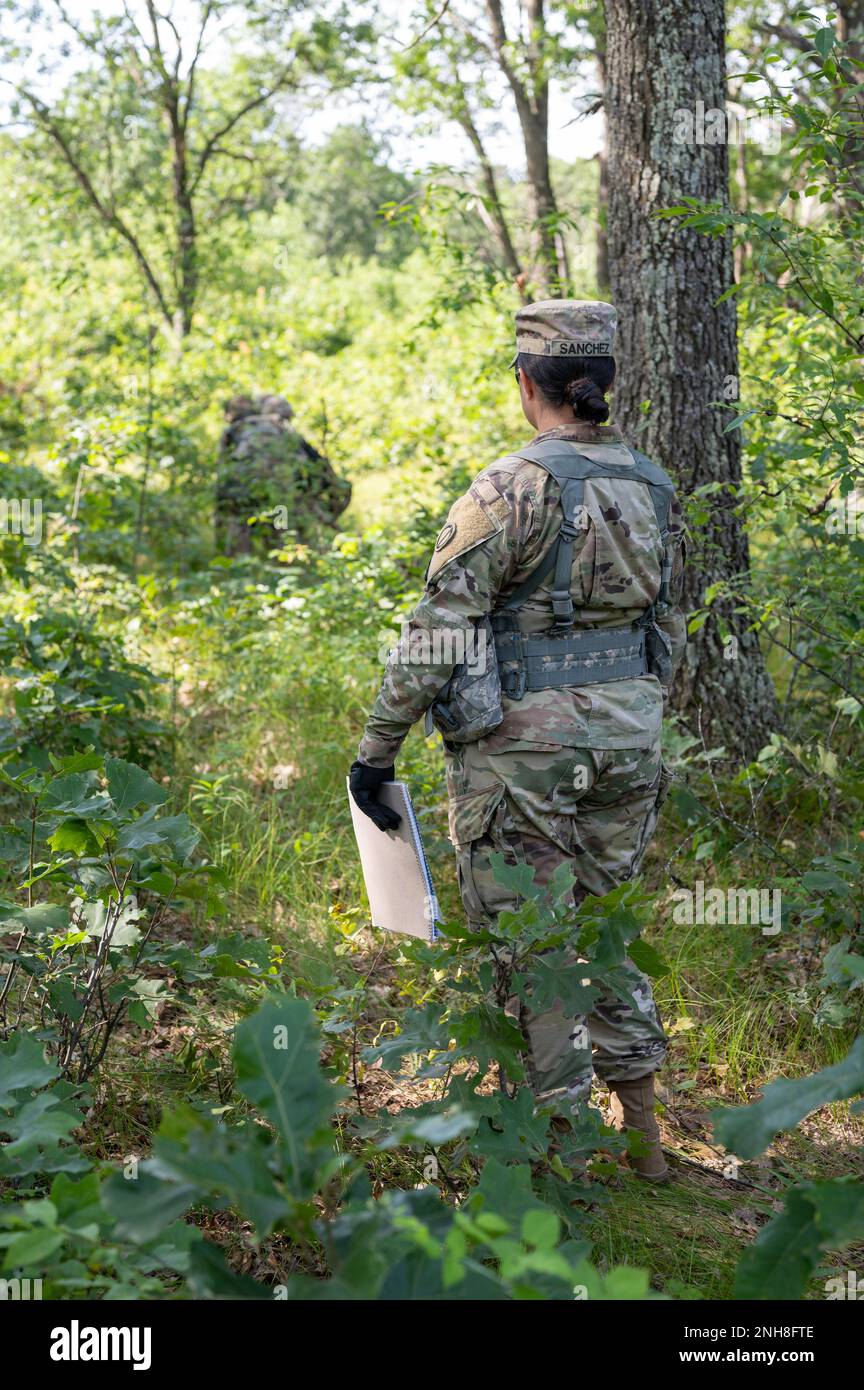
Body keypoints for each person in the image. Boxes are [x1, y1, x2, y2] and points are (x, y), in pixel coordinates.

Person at [349, 301, 686, 1182]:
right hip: (631, 741)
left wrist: (377, 749)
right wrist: (634, 716)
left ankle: (561, 1161)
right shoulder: (652, 482)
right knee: (608, 926)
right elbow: (670, 625)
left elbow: (439, 631)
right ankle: (647, 1143)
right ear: (602, 383)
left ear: (527, 385)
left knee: (534, 945)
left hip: (523, 754)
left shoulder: (507, 488)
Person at [215, 394, 351, 556]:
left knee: (240, 532)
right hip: (279, 494)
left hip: (242, 492)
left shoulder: (235, 429)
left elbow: (223, 469)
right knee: (281, 531)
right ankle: (284, 564)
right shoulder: (283, 427)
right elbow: (315, 463)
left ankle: (238, 569)